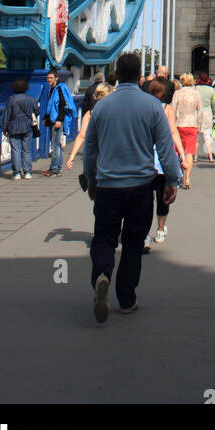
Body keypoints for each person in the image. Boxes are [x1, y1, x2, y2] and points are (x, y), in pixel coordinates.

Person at [83, 51, 179, 322]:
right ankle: (126, 299)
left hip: (108, 186)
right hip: (140, 186)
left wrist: (91, 181)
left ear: (117, 72)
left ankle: (102, 274)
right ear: (139, 76)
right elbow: (165, 148)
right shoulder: (151, 106)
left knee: (104, 238)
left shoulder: (101, 107)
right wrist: (171, 180)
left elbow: (90, 150)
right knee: (133, 243)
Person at [143, 78, 185, 247]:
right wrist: (182, 153)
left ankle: (144, 236)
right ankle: (160, 230)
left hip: (144, 159)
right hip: (161, 159)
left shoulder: (142, 107)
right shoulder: (167, 109)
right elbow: (173, 132)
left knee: (145, 201)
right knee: (163, 197)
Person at [172, 73, 210, 188]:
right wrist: (198, 125)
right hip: (191, 124)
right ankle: (188, 178)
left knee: (179, 151)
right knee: (189, 152)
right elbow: (200, 111)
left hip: (179, 125)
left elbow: (173, 109)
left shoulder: (177, 93)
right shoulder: (196, 94)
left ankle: (181, 175)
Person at [66, 83, 113, 170]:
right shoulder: (116, 113)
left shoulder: (91, 113)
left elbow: (81, 136)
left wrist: (72, 157)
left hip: (96, 156)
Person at [1, 78, 40, 180]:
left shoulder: (11, 99)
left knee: (16, 150)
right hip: (27, 127)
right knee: (26, 150)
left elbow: (7, 115)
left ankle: (16, 173)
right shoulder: (31, 99)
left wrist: (4, 128)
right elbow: (37, 111)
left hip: (14, 127)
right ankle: (28, 172)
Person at [42, 70, 77, 177]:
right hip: (53, 119)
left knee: (55, 145)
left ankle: (55, 169)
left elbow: (62, 105)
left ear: (56, 78)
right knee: (57, 144)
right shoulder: (52, 89)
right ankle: (55, 168)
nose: (49, 80)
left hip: (57, 120)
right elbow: (51, 106)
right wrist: (45, 118)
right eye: (48, 78)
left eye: (51, 78)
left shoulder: (59, 89)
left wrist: (59, 120)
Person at [195, 73, 215, 164]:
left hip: (197, 112)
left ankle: (195, 156)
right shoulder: (211, 90)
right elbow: (214, 104)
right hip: (207, 113)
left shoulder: (195, 89)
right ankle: (210, 156)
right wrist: (214, 114)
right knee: (207, 135)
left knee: (196, 136)